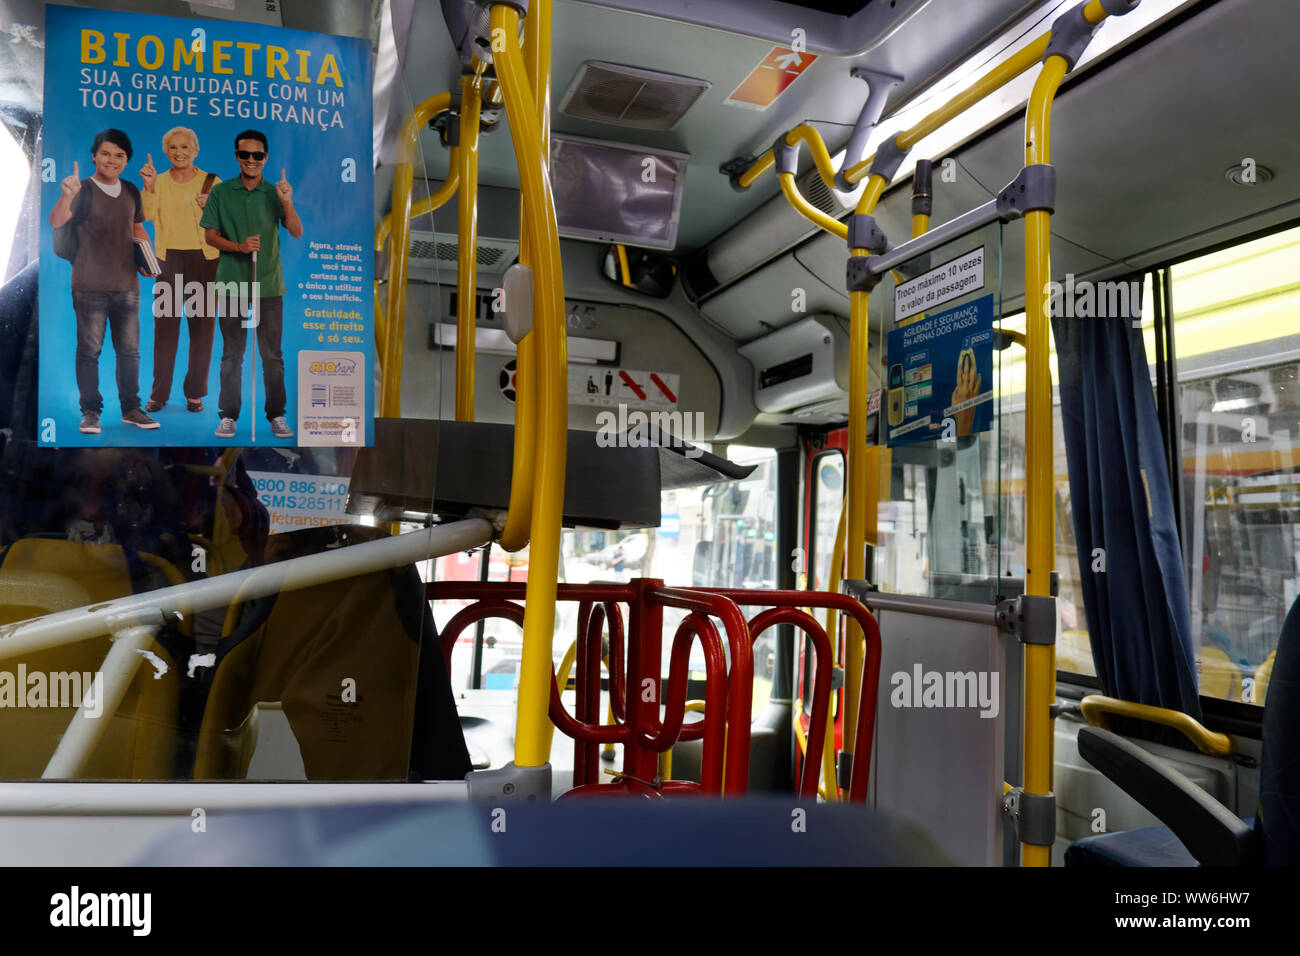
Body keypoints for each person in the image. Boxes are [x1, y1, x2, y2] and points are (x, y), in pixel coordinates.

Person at [49, 129, 159, 434]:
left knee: (130, 352)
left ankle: (131, 409)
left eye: (120, 155)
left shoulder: (131, 191)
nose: (112, 160)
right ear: (94, 155)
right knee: (89, 351)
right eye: (106, 153)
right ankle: (91, 413)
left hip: (127, 284)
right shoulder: (82, 189)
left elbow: (137, 227)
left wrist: (149, 261)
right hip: (89, 284)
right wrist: (66, 195)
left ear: (126, 161)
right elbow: (57, 221)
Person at [200, 129, 303, 440]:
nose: (251, 160)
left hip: (268, 285)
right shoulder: (221, 192)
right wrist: (240, 247)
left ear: (265, 158)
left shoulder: (274, 193)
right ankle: (228, 416)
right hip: (232, 283)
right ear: (237, 157)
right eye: (245, 154)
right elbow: (210, 236)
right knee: (232, 353)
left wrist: (287, 202)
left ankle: (277, 415)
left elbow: (296, 230)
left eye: (257, 155)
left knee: (272, 354)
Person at [140, 127, 221, 414]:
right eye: (173, 148)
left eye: (185, 147)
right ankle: (159, 394)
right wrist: (148, 186)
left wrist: (213, 206)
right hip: (168, 262)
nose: (179, 153)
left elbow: (228, 223)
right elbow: (146, 215)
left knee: (202, 331)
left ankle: (195, 394)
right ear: (166, 152)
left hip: (204, 261)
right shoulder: (158, 182)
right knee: (165, 331)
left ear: (195, 150)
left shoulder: (211, 181)